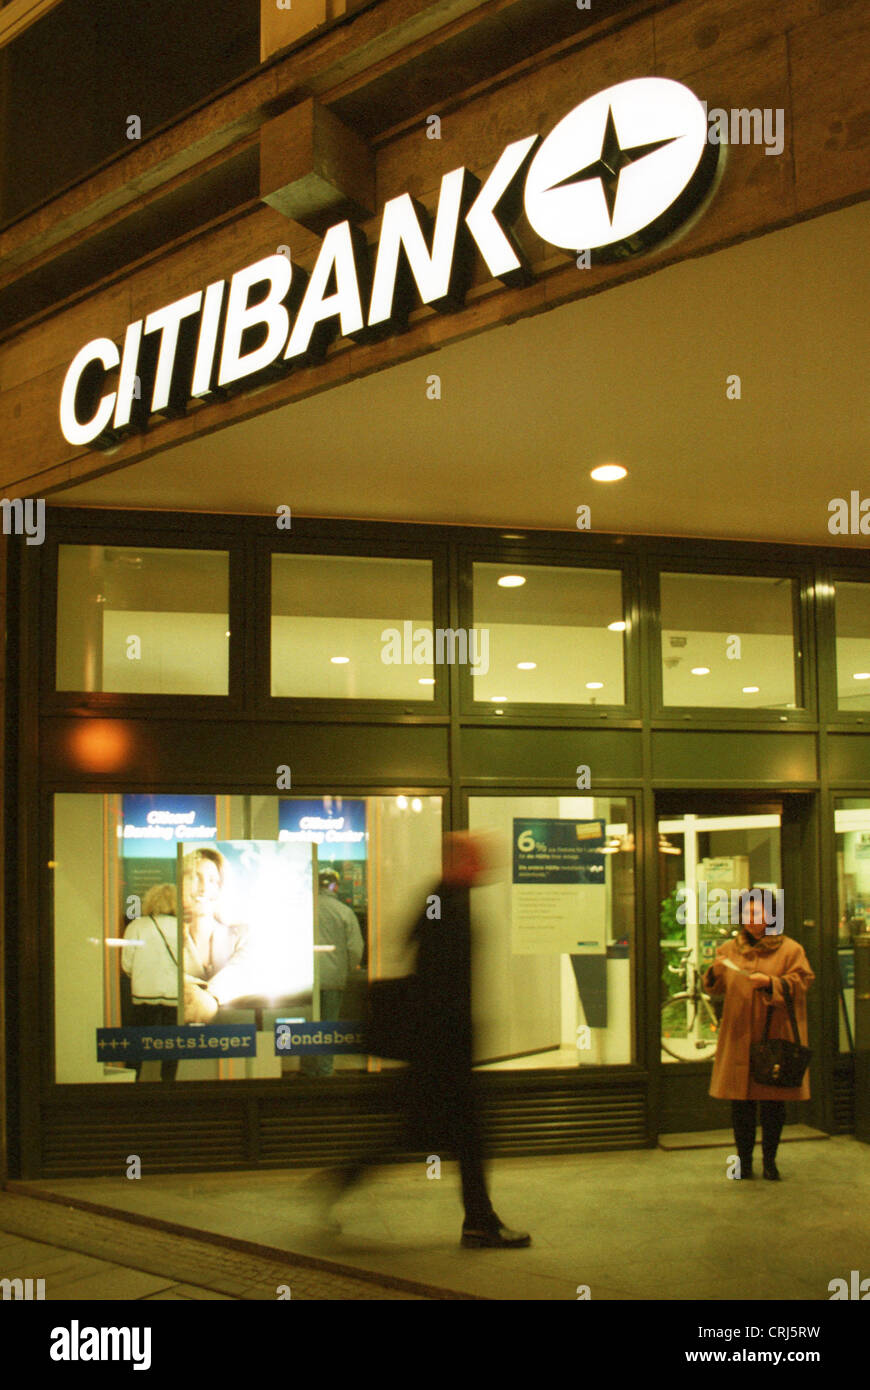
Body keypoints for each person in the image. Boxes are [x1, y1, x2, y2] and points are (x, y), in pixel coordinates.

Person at [326, 832, 530, 1248]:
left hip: (441, 1051)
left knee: (424, 1134)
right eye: (476, 858)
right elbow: (436, 978)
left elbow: (414, 951)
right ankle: (478, 1222)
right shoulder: (443, 903)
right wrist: (452, 1039)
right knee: (462, 1136)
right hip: (443, 1052)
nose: (484, 866)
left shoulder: (444, 900)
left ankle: (345, 1179)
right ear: (458, 862)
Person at [703, 889, 814, 1180]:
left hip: (773, 1034)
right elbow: (714, 987)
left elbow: (802, 982)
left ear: (771, 915)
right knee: (740, 1103)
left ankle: (770, 1161)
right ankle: (744, 1162)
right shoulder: (729, 949)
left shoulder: (790, 949)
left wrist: (770, 983)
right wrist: (714, 972)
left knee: (773, 1102)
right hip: (739, 1033)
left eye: (758, 912)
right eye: (747, 913)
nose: (752, 919)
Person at [301, 868, 364, 1078]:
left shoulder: (303, 908)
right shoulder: (344, 912)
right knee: (328, 1026)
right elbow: (355, 948)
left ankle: (308, 1070)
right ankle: (325, 1071)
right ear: (335, 886)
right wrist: (345, 969)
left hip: (305, 979)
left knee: (308, 1026)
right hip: (333, 980)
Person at [181, 848, 251, 1023]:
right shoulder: (163, 933)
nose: (203, 888)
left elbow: (242, 973)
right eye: (194, 878)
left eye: (213, 880)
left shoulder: (242, 935)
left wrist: (205, 995)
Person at [121, 882, 180, 1081]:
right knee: (172, 1045)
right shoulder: (181, 928)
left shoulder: (136, 926)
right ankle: (168, 1084)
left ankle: (133, 1082)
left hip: (143, 994)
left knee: (137, 1043)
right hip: (174, 996)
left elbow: (126, 964)